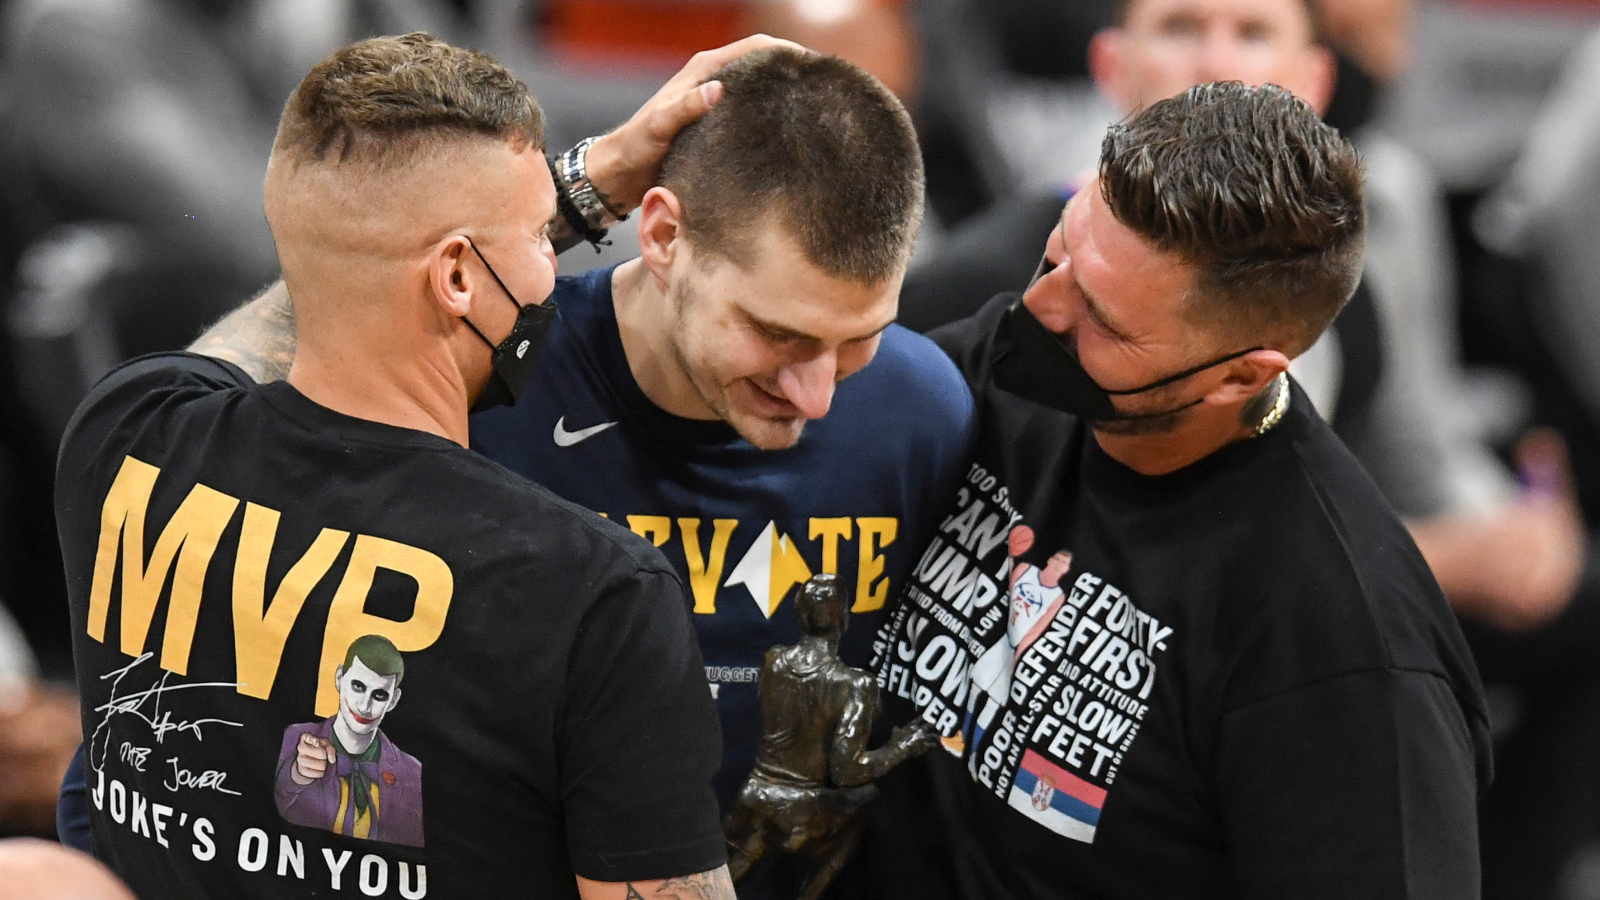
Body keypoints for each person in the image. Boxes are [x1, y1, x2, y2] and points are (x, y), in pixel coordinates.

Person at [53, 31, 789, 900]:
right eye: (539, 237)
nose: (549, 267)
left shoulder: (123, 434)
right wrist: (580, 190)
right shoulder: (594, 595)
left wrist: (569, 189)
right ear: (456, 279)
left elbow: (294, 302)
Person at [873, 82, 1490, 899]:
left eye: (1103, 321)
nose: (1040, 306)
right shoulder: (1015, 371)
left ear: (1240, 375)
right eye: (1059, 253)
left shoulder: (1343, 653)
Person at [468, 46, 974, 831]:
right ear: (663, 234)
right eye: (778, 333)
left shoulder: (922, 413)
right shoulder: (487, 378)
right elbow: (281, 367)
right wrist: (592, 183)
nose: (816, 395)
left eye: (858, 338)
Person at [723, 574, 937, 900]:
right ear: (843, 619)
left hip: (753, 795)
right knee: (868, 798)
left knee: (732, 862)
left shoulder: (773, 661)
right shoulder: (855, 684)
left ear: (799, 614)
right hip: (802, 809)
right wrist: (900, 748)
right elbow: (846, 772)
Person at [273, 635, 423, 847]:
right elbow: (266, 802)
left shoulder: (412, 772)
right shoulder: (295, 737)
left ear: (393, 700)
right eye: (358, 686)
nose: (364, 706)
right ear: (339, 678)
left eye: (379, 695)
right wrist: (297, 774)